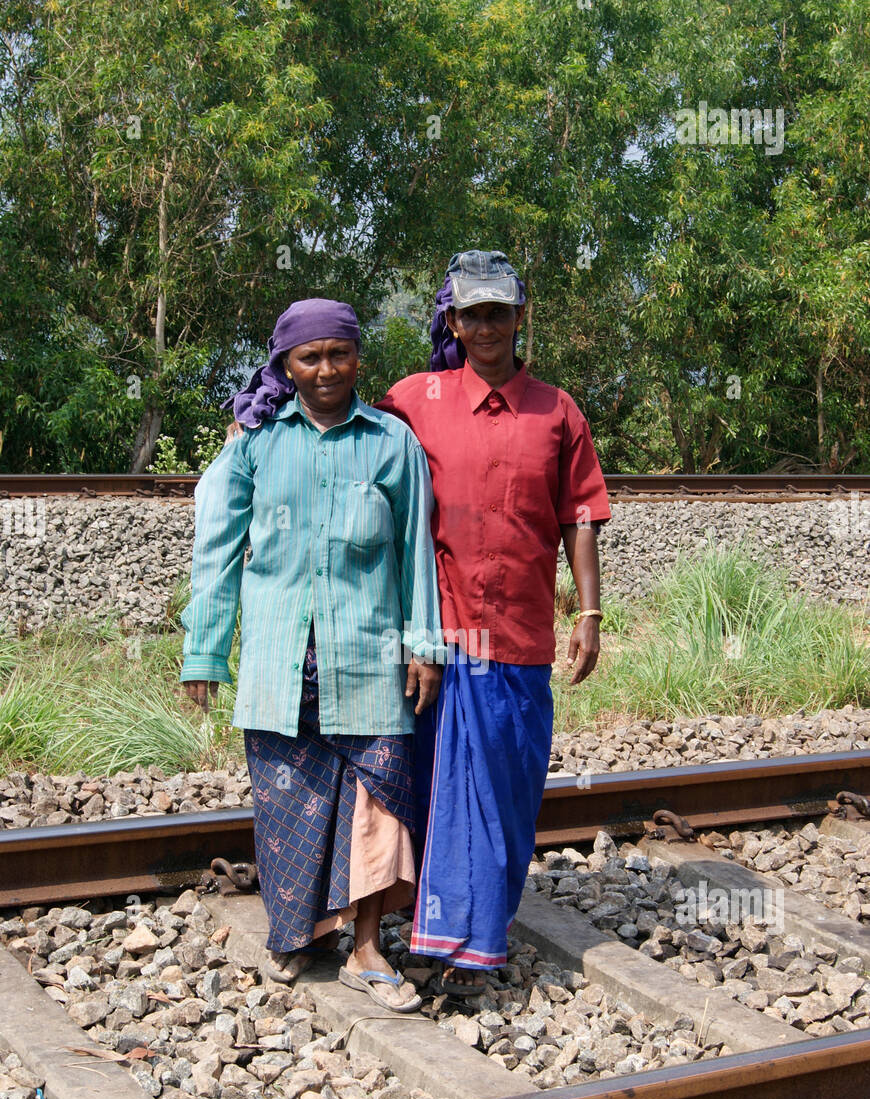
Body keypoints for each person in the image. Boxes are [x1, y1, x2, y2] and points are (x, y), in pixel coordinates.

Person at [181, 298, 444, 1011]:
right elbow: (218, 554)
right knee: (288, 807)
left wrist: (424, 643)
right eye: (310, 357)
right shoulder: (255, 446)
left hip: (367, 658)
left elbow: (415, 552)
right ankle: (297, 935)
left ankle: (364, 947)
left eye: (339, 354)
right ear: (286, 365)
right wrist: (203, 651)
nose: (326, 370)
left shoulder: (392, 444)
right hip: (278, 661)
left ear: (359, 358)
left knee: (379, 802)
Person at [374, 250, 611, 997]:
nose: (486, 326)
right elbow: (356, 460)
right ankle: (460, 943)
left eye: (498, 313)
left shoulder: (557, 410)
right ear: (452, 319)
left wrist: (591, 611)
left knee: (509, 789)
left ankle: (480, 920)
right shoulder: (414, 399)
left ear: (519, 318)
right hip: (441, 637)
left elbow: (580, 516)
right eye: (472, 314)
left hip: (521, 637)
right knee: (447, 785)